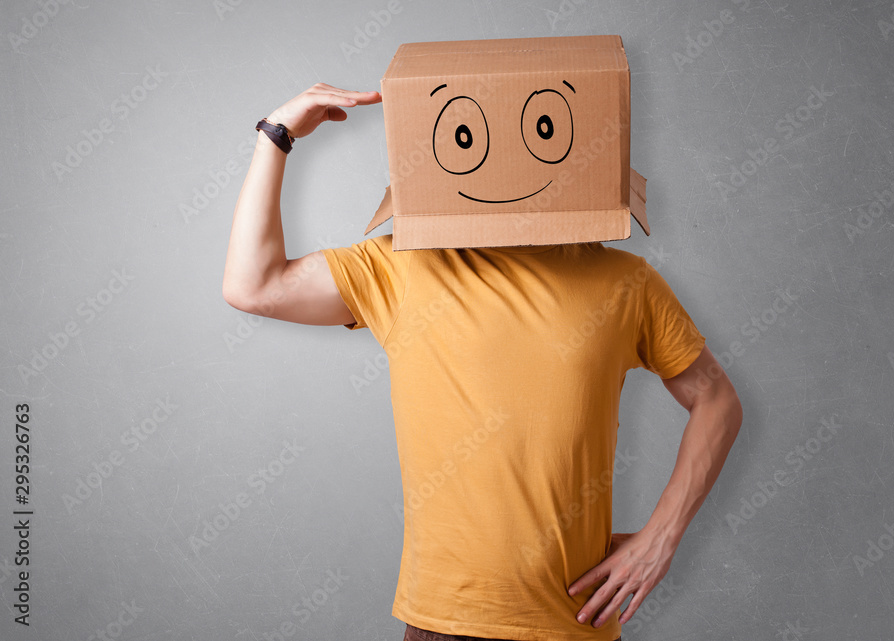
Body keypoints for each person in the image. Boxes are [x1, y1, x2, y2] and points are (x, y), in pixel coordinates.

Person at [223, 83, 743, 641]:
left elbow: (716, 400)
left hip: (575, 623)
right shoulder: (401, 268)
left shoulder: (625, 283)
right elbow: (254, 285)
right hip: (441, 626)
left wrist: (662, 537)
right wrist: (275, 135)